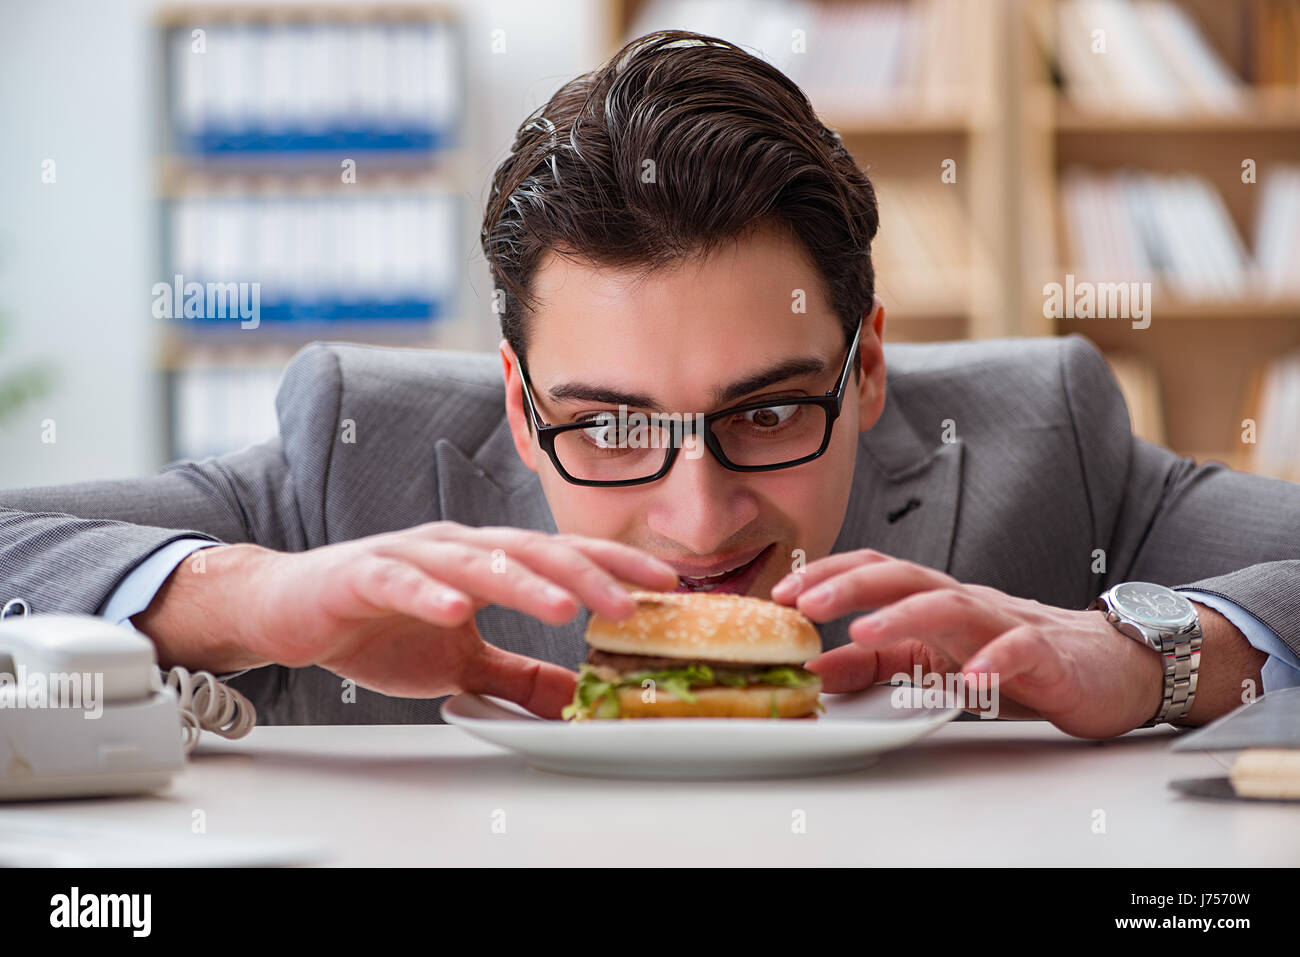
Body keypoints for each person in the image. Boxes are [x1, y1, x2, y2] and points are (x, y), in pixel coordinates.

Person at [3, 31, 1298, 737]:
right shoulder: (360, 455)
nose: (698, 517)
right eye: (611, 423)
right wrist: (262, 595)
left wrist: (1153, 656)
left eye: (772, 409)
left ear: (869, 370)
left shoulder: (1043, 432)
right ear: (518, 402)